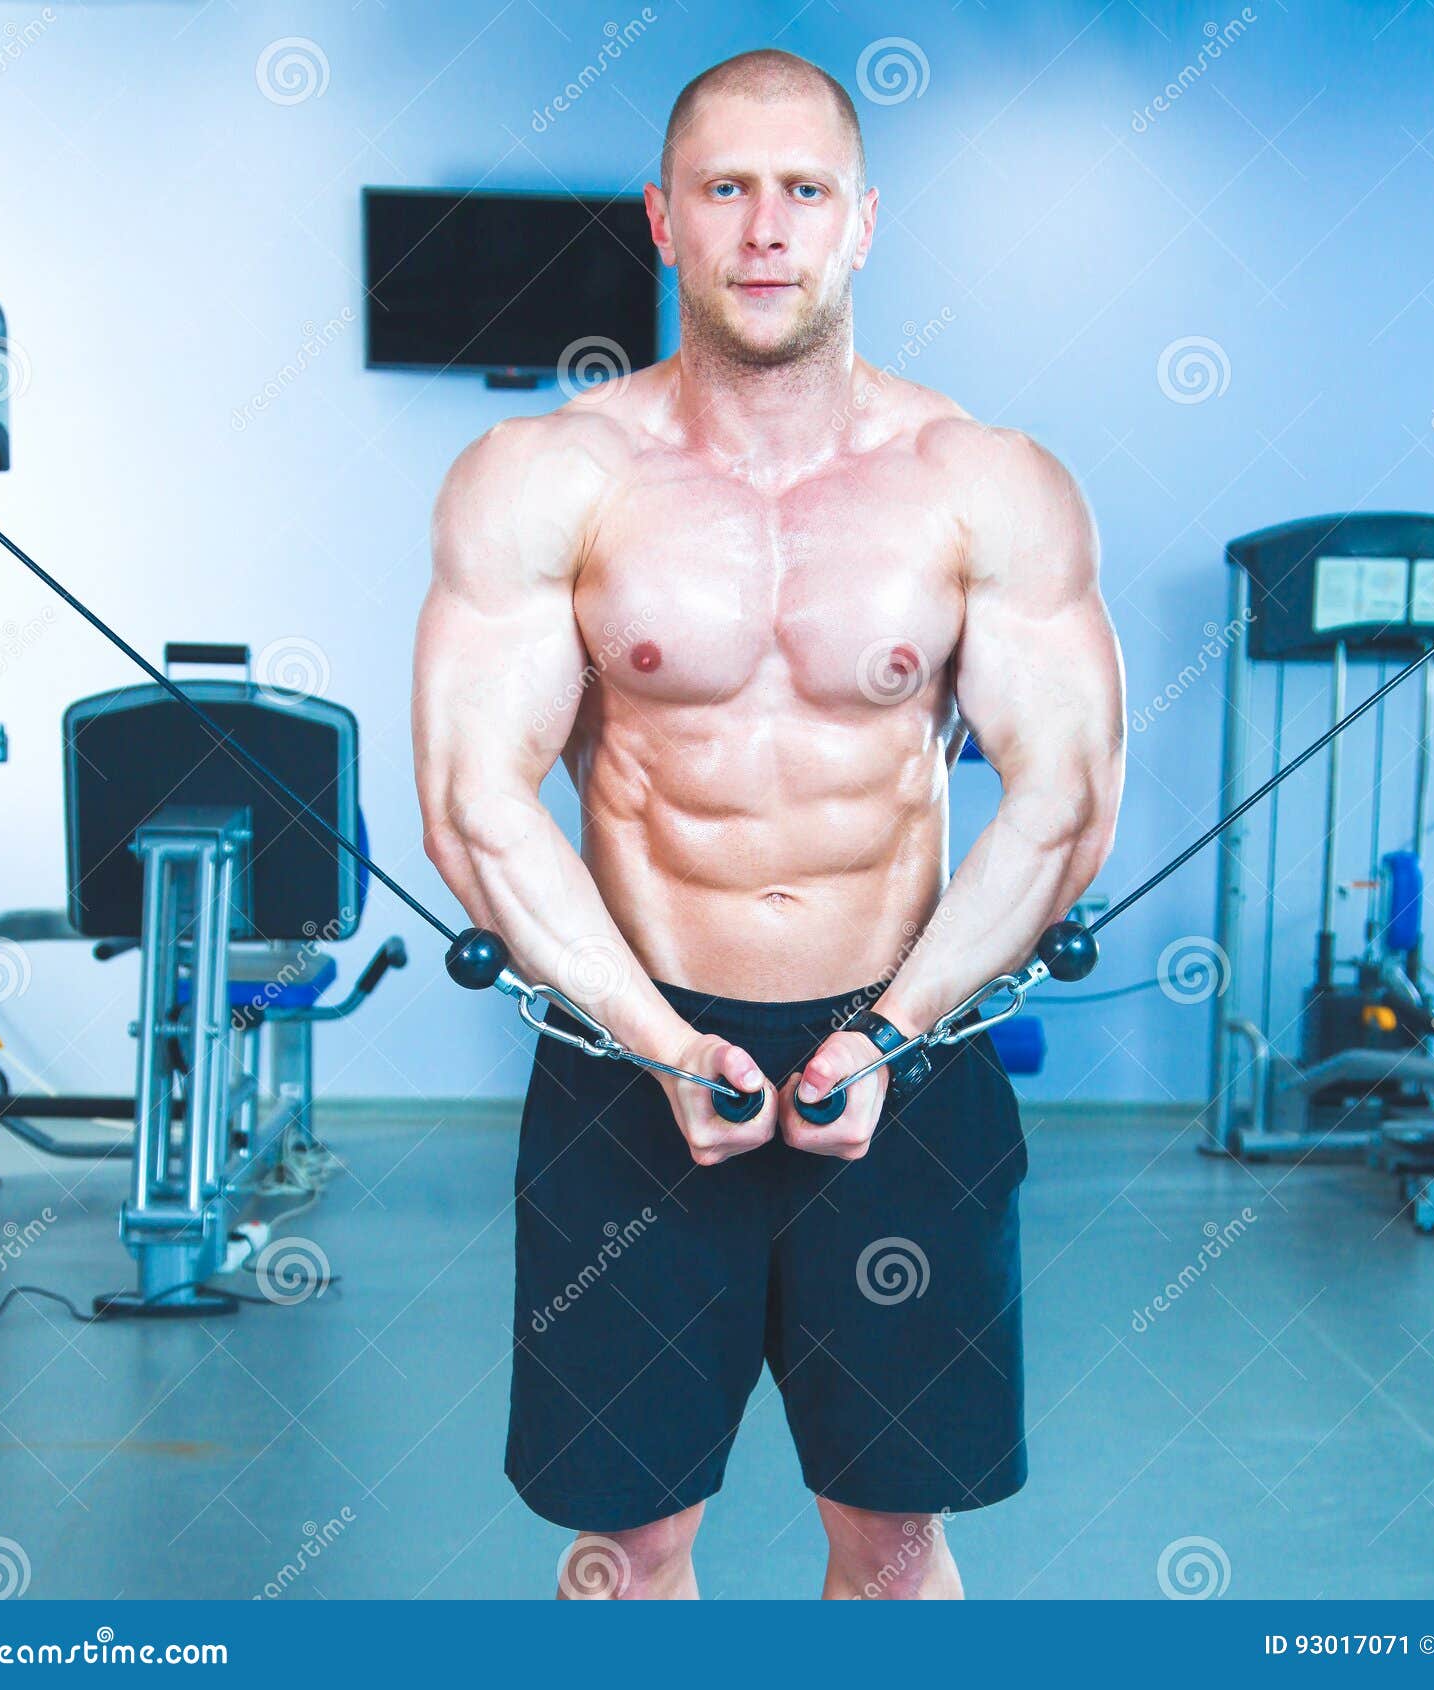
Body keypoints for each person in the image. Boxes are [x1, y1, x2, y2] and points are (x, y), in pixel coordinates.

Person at [413, 46, 1125, 1600]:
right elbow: (473, 800)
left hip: (907, 1059)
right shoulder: (544, 478)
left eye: (803, 190)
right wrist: (653, 1035)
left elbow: (1066, 803)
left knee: (895, 1535)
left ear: (862, 221)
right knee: (631, 1538)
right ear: (662, 222)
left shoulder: (986, 484)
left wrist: (898, 1026)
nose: (765, 227)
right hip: (628, 1062)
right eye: (726, 189)